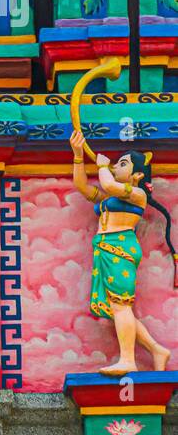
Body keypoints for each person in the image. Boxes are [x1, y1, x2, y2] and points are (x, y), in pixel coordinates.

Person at [70, 131, 175, 376]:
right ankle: (156, 350)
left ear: (138, 175)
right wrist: (77, 155)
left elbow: (106, 183)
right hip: (107, 248)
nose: (116, 165)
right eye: (116, 163)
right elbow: (83, 187)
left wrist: (104, 166)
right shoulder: (111, 196)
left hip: (120, 247)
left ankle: (129, 360)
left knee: (121, 306)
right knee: (117, 307)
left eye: (123, 163)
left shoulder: (137, 195)